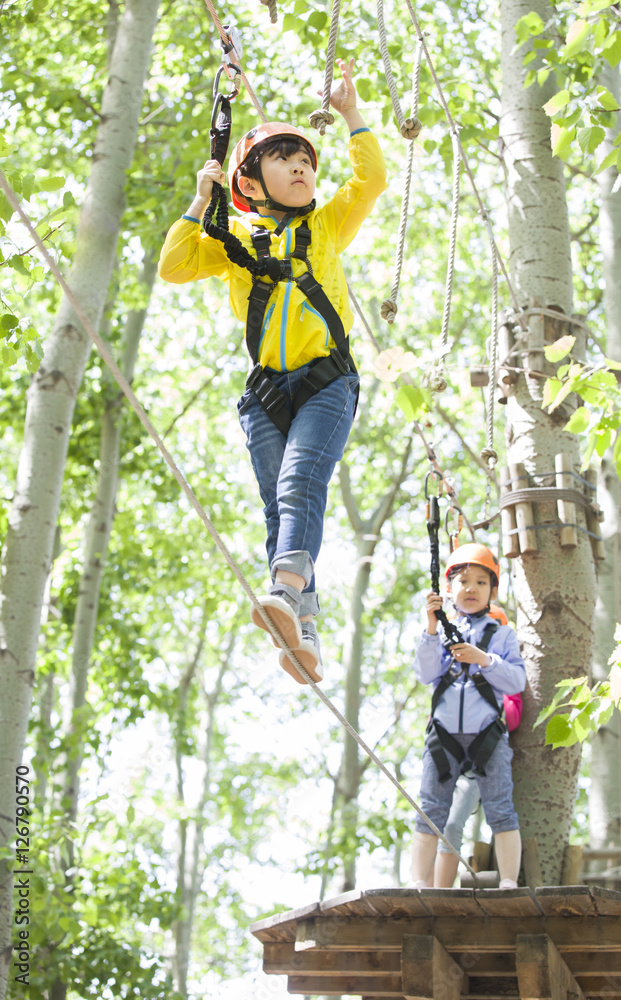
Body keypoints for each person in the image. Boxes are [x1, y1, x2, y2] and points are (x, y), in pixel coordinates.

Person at [158, 59, 386, 684]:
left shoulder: (326, 225)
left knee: (299, 483)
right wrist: (202, 199)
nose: (300, 167)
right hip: (265, 393)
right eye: (284, 159)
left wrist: (351, 115)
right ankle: (302, 625)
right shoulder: (233, 240)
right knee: (277, 506)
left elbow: (369, 182)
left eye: (306, 161)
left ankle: (284, 589)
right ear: (251, 184)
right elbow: (174, 266)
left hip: (325, 381)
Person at [410, 543, 526, 889]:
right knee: (431, 810)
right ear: (449, 590)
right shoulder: (442, 631)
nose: (471, 588)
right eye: (463, 582)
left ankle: (508, 880)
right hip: (443, 734)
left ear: (492, 591)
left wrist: (484, 659)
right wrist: (431, 629)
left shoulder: (502, 634)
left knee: (501, 809)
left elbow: (516, 680)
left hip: (487, 735)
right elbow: (425, 673)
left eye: (480, 582)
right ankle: (418, 881)